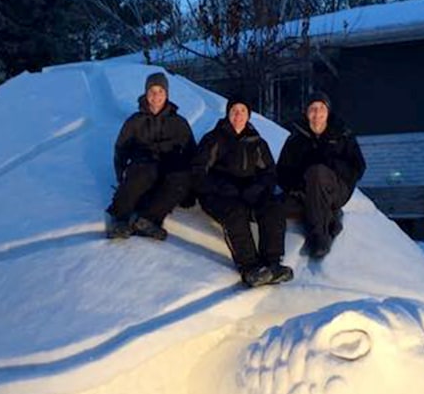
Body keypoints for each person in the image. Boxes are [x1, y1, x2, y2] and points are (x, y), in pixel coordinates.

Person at [194, 97, 293, 288]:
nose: (238, 115)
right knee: (235, 212)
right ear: (228, 113)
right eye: (234, 111)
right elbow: (198, 171)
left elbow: (269, 172)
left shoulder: (257, 142)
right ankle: (250, 267)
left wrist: (258, 188)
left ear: (248, 115)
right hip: (218, 195)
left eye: (242, 111)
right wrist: (219, 187)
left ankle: (272, 263)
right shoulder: (214, 139)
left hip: (249, 193)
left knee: (273, 208)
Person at [107, 72, 197, 241]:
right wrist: (121, 175)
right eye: (152, 91)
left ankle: (148, 220)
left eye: (160, 91)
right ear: (146, 94)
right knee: (142, 172)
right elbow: (121, 149)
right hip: (143, 168)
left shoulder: (179, 122)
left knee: (179, 178)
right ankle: (120, 218)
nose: (156, 96)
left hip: (168, 169)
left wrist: (190, 188)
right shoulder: (135, 121)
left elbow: (191, 152)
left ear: (167, 94)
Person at [277, 91, 366, 259]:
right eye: (312, 109)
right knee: (275, 206)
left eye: (321, 108)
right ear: (306, 112)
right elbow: (282, 171)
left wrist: (331, 167)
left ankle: (319, 239)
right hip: (303, 191)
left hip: (336, 189)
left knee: (317, 172)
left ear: (328, 111)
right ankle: (331, 218)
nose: (317, 113)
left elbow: (358, 166)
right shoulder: (296, 138)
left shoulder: (342, 134)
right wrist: (296, 184)